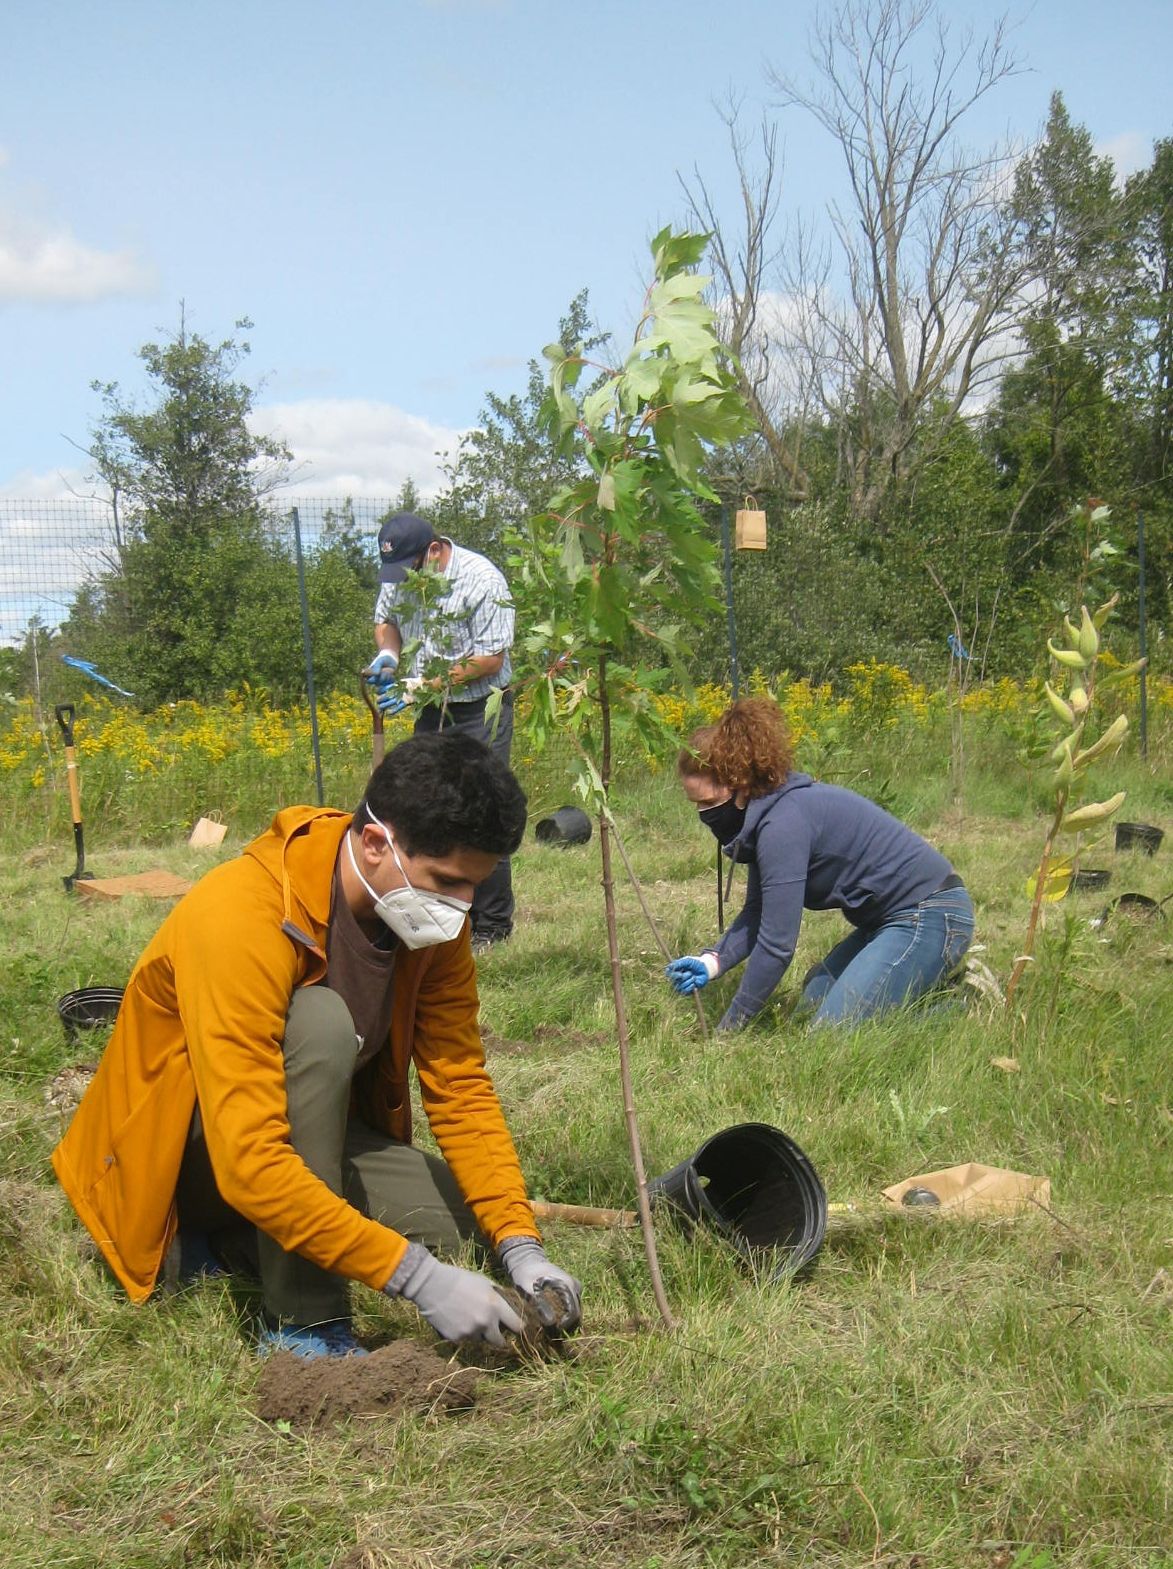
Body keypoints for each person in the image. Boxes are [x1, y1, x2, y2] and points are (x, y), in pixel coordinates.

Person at [52, 732, 581, 1360]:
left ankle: (231, 1249)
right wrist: (415, 1277)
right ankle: (300, 1322)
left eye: (476, 886)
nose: (463, 907)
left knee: (466, 1227)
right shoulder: (239, 916)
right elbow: (248, 1160)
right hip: (180, 1159)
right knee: (320, 1023)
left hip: (300, 1139)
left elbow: (459, 1082)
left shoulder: (432, 926)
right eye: (447, 880)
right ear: (377, 842)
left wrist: (523, 1247)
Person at [666, 698, 974, 1031]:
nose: (704, 814)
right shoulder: (768, 814)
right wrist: (712, 961)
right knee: (807, 1011)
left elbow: (777, 945)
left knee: (831, 1033)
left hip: (931, 915)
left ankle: (963, 1003)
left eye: (709, 802)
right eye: (695, 804)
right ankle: (912, 986)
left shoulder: (783, 824)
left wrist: (730, 1027)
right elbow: (758, 911)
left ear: (739, 784)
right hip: (886, 924)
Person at [367, 512, 516, 953]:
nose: (403, 580)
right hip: (431, 709)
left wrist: (422, 686)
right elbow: (385, 620)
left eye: (411, 569)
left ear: (434, 551)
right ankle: (437, 915)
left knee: (484, 811)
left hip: (480, 708)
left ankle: (490, 926)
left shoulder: (481, 580)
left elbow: (490, 658)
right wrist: (390, 655)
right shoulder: (400, 575)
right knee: (427, 808)